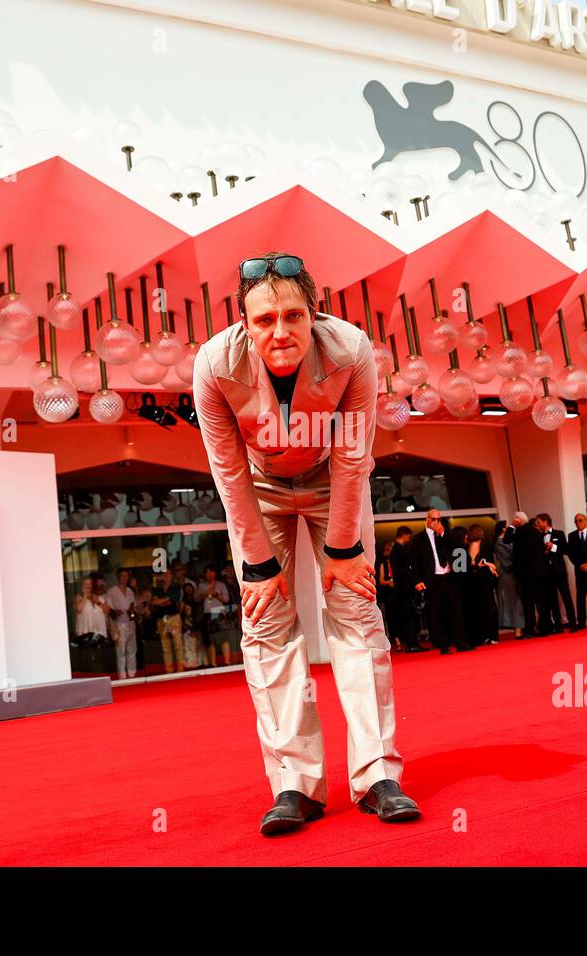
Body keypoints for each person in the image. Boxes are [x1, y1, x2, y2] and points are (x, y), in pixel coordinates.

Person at [193, 250, 418, 835]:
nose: (280, 331)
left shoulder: (351, 351)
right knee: (264, 621)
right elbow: (227, 469)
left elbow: (352, 455)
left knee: (356, 610)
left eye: (292, 316)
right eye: (264, 320)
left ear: (313, 316)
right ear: (245, 324)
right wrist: (258, 564)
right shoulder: (213, 365)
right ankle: (295, 783)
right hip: (260, 487)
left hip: (331, 480)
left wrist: (343, 552)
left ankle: (377, 775)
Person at [411, 509, 472, 654]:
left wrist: (443, 534)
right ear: (427, 519)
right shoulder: (418, 539)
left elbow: (459, 548)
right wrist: (417, 580)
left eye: (439, 519)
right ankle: (442, 645)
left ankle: (461, 643)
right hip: (432, 579)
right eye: (433, 519)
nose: (436, 522)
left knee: (456, 611)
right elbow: (415, 562)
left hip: (449, 577)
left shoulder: (448, 535)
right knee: (436, 614)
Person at [538, 513, 577, 633]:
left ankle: (573, 623)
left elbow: (566, 550)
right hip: (547, 572)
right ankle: (558, 626)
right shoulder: (539, 536)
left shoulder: (559, 534)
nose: (538, 525)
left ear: (546, 521)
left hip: (559, 570)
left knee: (566, 596)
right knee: (552, 598)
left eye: (539, 522)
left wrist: (553, 547)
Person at [389, 527, 423, 651]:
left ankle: (412, 643)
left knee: (408, 616)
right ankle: (412, 644)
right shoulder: (398, 549)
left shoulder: (396, 549)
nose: (409, 539)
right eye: (408, 536)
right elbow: (401, 569)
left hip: (402, 588)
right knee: (408, 616)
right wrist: (412, 578)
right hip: (404, 588)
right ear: (403, 534)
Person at [467, 524, 500, 645]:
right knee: (489, 608)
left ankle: (483, 636)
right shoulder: (485, 546)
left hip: (474, 582)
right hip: (483, 581)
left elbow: (463, 568)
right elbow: (490, 563)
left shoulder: (466, 547)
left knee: (479, 608)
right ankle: (492, 636)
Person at [510, 511, 541, 637]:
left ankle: (530, 628)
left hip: (525, 573)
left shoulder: (519, 533)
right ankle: (543, 627)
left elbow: (507, 540)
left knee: (528, 602)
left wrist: (512, 526)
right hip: (538, 572)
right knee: (540, 601)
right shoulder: (537, 532)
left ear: (518, 521)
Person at [105, 568, 138, 679]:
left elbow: (134, 605)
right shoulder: (112, 591)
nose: (124, 578)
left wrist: (133, 610)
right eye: (122, 576)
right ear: (118, 577)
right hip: (119, 624)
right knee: (121, 651)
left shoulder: (130, 591)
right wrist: (115, 612)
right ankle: (122, 675)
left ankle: (132, 673)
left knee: (132, 649)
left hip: (130, 623)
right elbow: (108, 608)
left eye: (126, 576)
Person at [494, 520, 524, 638]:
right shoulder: (499, 543)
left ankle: (520, 627)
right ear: (503, 529)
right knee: (515, 601)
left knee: (518, 601)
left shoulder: (510, 541)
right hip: (509, 575)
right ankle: (517, 629)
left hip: (515, 573)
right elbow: (508, 561)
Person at [199, 564, 233, 668]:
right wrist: (205, 594)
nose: (208, 574)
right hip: (207, 613)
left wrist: (216, 594)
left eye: (211, 572)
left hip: (218, 612)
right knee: (209, 639)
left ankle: (227, 661)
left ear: (215, 573)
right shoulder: (202, 586)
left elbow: (226, 600)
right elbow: (196, 599)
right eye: (206, 572)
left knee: (223, 637)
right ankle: (212, 663)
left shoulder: (221, 585)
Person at [71, 575, 109, 649]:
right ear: (81, 586)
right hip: (85, 637)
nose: (88, 586)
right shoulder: (78, 598)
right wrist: (85, 596)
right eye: (86, 584)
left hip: (100, 636)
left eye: (90, 583)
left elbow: (107, 611)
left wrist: (98, 602)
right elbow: (79, 609)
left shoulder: (99, 597)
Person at [376, 540, 401, 651]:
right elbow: (381, 580)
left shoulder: (398, 562)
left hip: (399, 592)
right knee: (392, 618)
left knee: (401, 616)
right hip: (389, 595)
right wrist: (389, 582)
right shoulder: (383, 564)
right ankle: (396, 640)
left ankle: (404, 638)